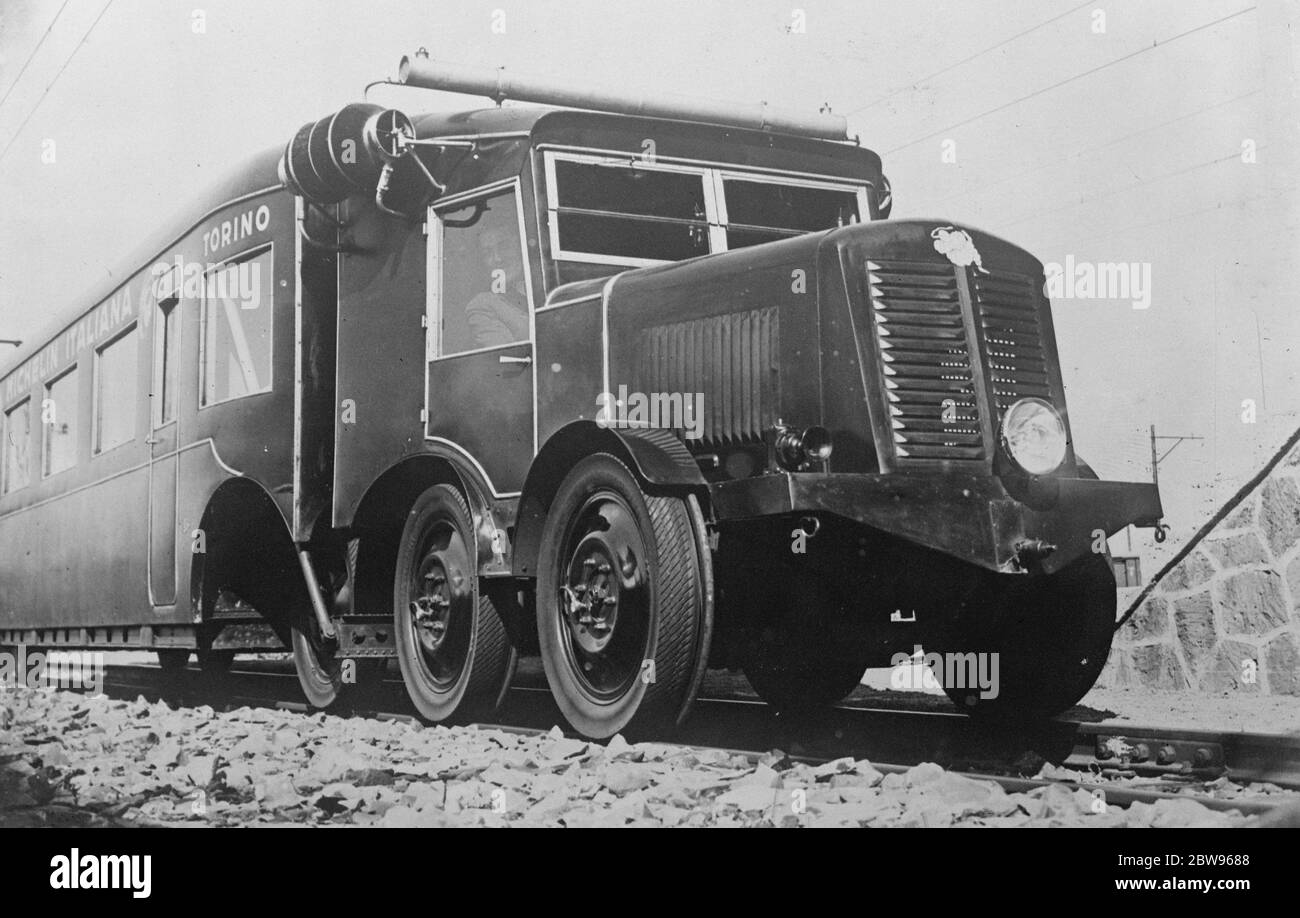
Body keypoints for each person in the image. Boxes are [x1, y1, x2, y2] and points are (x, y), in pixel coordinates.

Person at [464, 222, 529, 348]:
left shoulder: (546, 289)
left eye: (504, 247)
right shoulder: (483, 304)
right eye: (487, 253)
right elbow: (509, 357)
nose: (498, 258)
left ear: (520, 248)